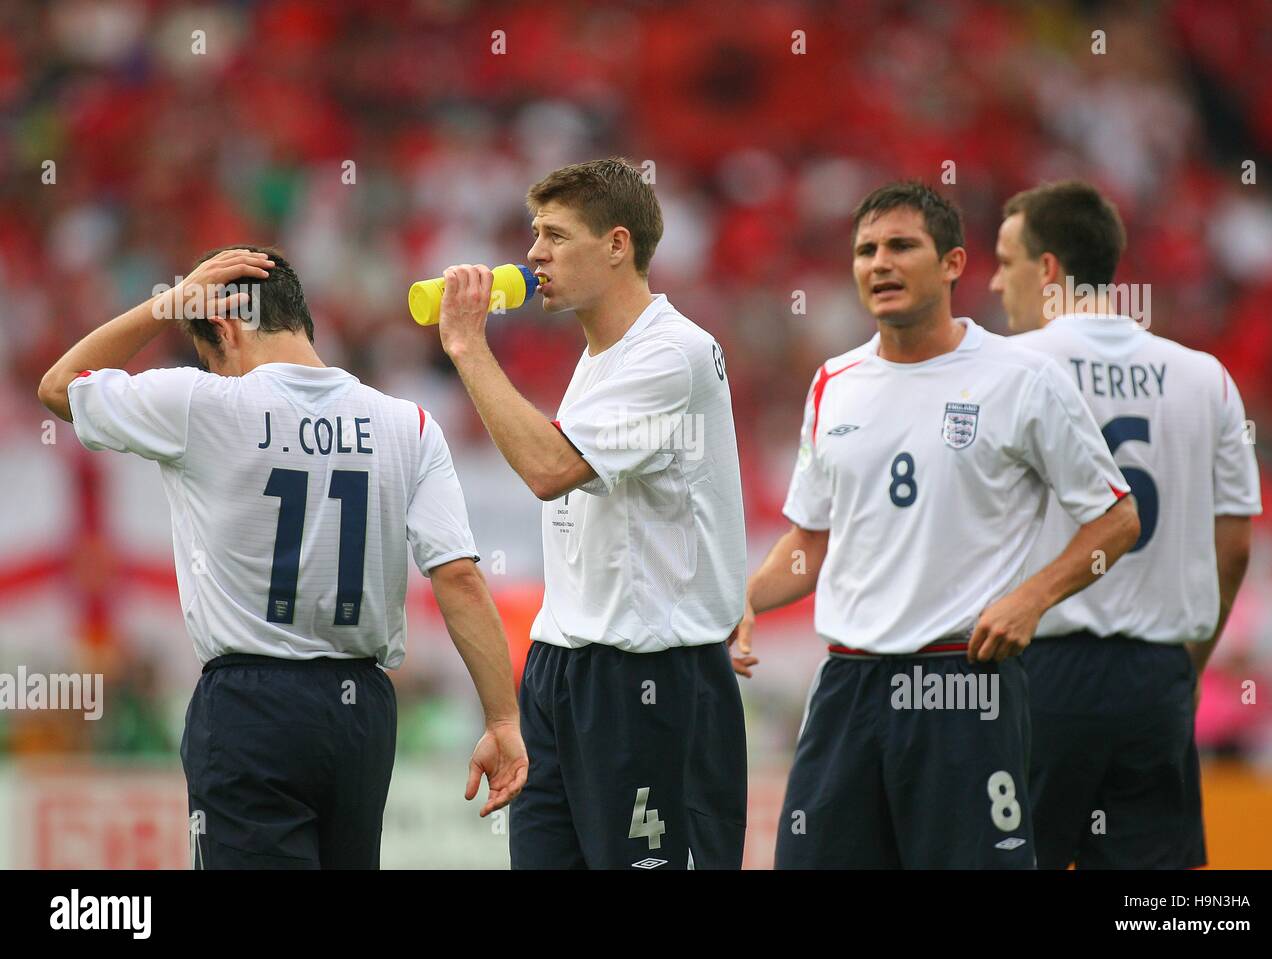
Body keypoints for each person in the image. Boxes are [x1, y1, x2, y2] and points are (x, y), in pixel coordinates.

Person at [37, 246, 527, 869]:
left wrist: (163, 305)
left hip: (249, 707)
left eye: (210, 356)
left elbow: (58, 386)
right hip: (363, 712)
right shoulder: (410, 425)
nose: (213, 372)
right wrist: (502, 719)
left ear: (223, 326)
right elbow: (458, 577)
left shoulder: (199, 404)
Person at [733, 181, 1140, 868]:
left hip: (962, 682)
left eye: (900, 246)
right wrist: (742, 599)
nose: (878, 263)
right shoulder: (835, 381)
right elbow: (810, 542)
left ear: (953, 263)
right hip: (846, 688)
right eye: (865, 250)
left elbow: (1117, 518)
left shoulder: (1023, 379)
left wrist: (1031, 598)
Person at [434, 157, 748, 869]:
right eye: (533, 234)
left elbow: (549, 470)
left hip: (650, 677)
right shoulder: (599, 358)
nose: (533, 254)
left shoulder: (673, 351)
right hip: (564, 668)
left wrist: (467, 346)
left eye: (554, 235)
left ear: (617, 244)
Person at [991, 180, 1262, 868]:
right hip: (1156, 678)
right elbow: (1234, 547)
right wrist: (1186, 664)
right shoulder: (1206, 377)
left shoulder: (1010, 369)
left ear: (1047, 268)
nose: (995, 283)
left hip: (1042, 671)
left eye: (1005, 260)